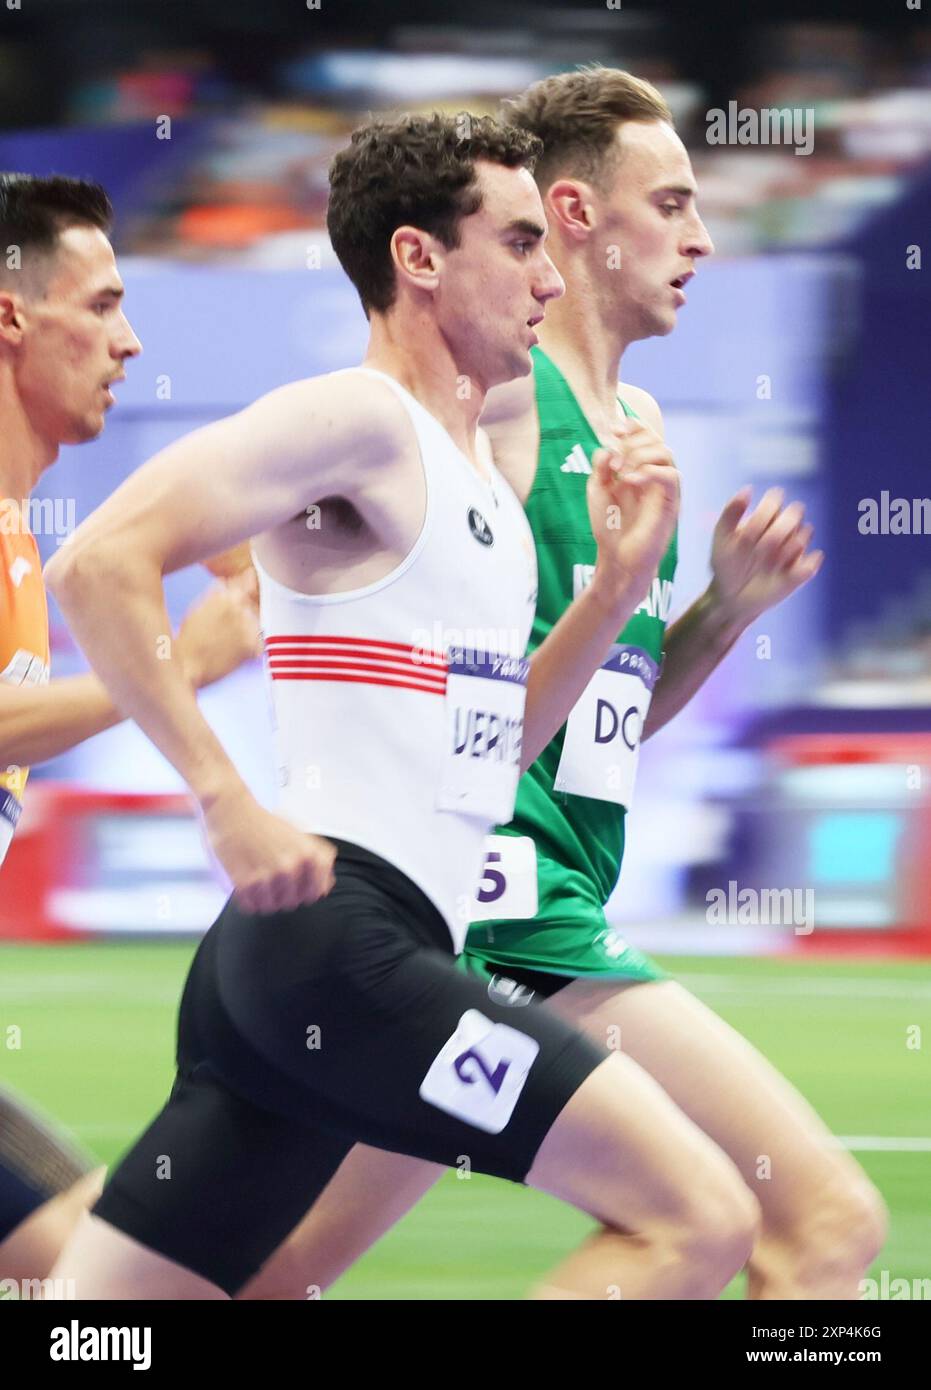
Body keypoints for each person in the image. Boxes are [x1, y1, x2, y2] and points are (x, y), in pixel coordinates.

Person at [44, 113, 761, 1302]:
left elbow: (492, 763)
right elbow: (98, 563)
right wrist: (224, 797)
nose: (548, 277)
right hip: (341, 945)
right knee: (698, 1217)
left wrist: (620, 590)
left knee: (102, 1325)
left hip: (315, 968)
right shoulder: (359, 418)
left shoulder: (470, 470)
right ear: (419, 258)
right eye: (520, 242)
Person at [237, 71, 885, 1303]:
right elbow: (318, 515)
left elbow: (603, 721)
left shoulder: (628, 421)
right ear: (577, 213)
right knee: (815, 1224)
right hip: (507, 921)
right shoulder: (490, 405)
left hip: (472, 926)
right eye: (674, 204)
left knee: (265, 1275)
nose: (702, 238)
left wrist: (720, 611)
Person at [0, 173, 261, 1288]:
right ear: (12, 315)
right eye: (102, 306)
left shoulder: (18, 536)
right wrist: (185, 658)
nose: (131, 341)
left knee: (99, 1285)